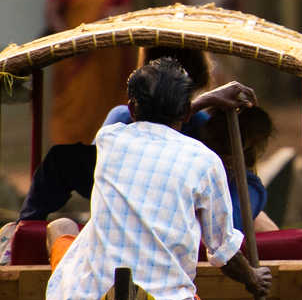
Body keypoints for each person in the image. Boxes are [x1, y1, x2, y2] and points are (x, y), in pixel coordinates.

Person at [42, 57, 271, 300]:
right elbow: (223, 252)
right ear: (187, 113)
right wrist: (252, 278)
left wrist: (204, 100)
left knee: (60, 227)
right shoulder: (205, 161)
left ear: (132, 108)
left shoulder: (109, 139)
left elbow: (147, 122)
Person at [15, 47, 274, 235]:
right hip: (135, 198)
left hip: (183, 210)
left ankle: (24, 226)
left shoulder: (205, 139)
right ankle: (23, 229)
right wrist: (201, 102)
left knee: (258, 213)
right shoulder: (122, 124)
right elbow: (111, 160)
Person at [45, 0, 134, 145]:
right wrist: (69, 39)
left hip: (103, 61)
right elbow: (51, 12)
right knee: (69, 112)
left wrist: (111, 15)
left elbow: (127, 13)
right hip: (72, 58)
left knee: (103, 111)